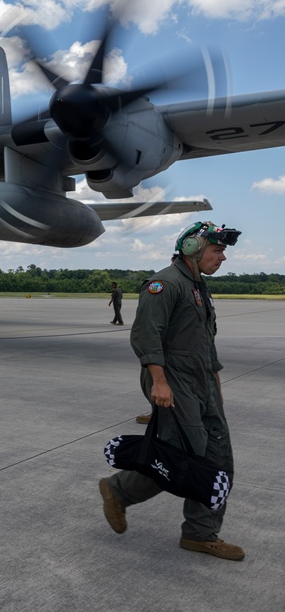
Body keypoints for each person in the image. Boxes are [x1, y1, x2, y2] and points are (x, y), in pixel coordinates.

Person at [98, 221, 243, 560]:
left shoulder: (197, 286)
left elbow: (204, 342)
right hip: (174, 381)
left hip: (202, 382)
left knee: (218, 458)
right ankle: (119, 491)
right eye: (217, 250)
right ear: (193, 248)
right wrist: (159, 382)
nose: (222, 257)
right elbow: (146, 336)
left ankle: (200, 533)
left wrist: (215, 383)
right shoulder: (165, 284)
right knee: (180, 456)